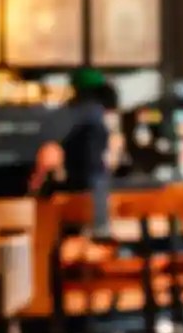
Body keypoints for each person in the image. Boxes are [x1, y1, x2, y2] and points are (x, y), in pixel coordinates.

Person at [30, 68, 122, 237]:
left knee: (68, 231)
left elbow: (49, 150)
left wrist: (39, 180)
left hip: (76, 184)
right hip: (97, 185)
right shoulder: (98, 113)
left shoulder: (72, 113)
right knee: (97, 234)